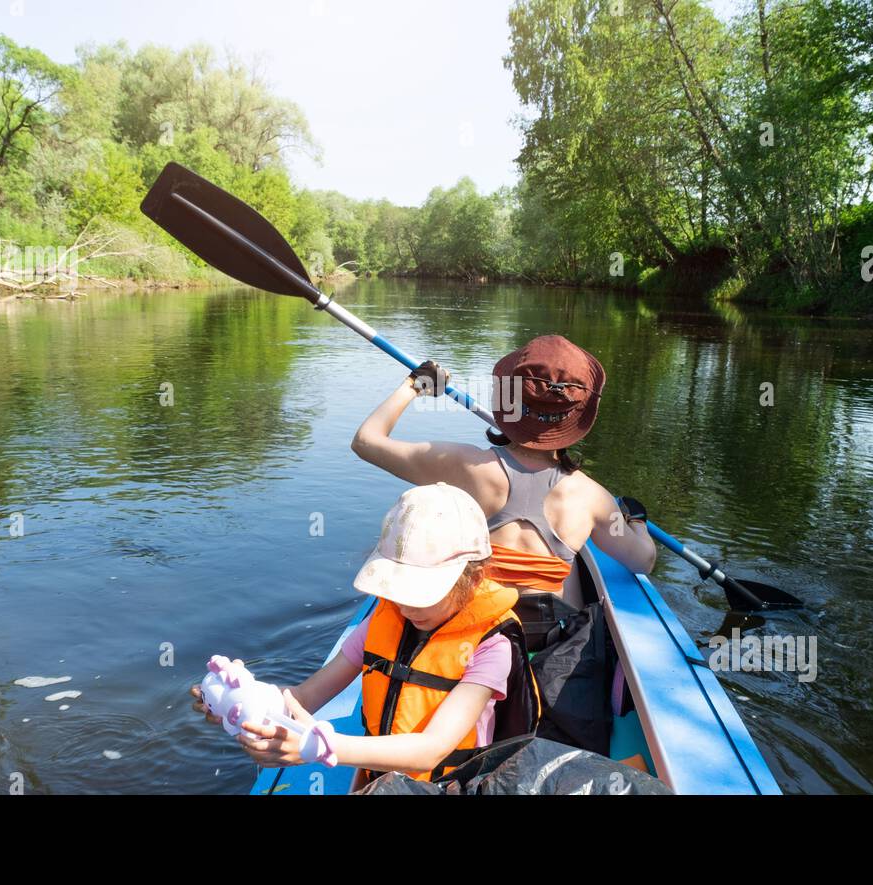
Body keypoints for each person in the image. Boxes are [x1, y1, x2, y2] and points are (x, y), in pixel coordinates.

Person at [350, 335, 657, 754]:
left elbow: (367, 441)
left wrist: (414, 387)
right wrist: (635, 521)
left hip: (474, 635)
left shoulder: (466, 467)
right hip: (551, 645)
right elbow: (643, 561)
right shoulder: (590, 498)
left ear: (507, 402)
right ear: (579, 417)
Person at [190, 483, 539, 782]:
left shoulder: (493, 645)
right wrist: (245, 700)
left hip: (447, 784)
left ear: (474, 578)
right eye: (397, 592)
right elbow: (305, 696)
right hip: (377, 779)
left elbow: (431, 750)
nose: (405, 607)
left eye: (422, 594)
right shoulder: (385, 620)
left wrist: (319, 746)